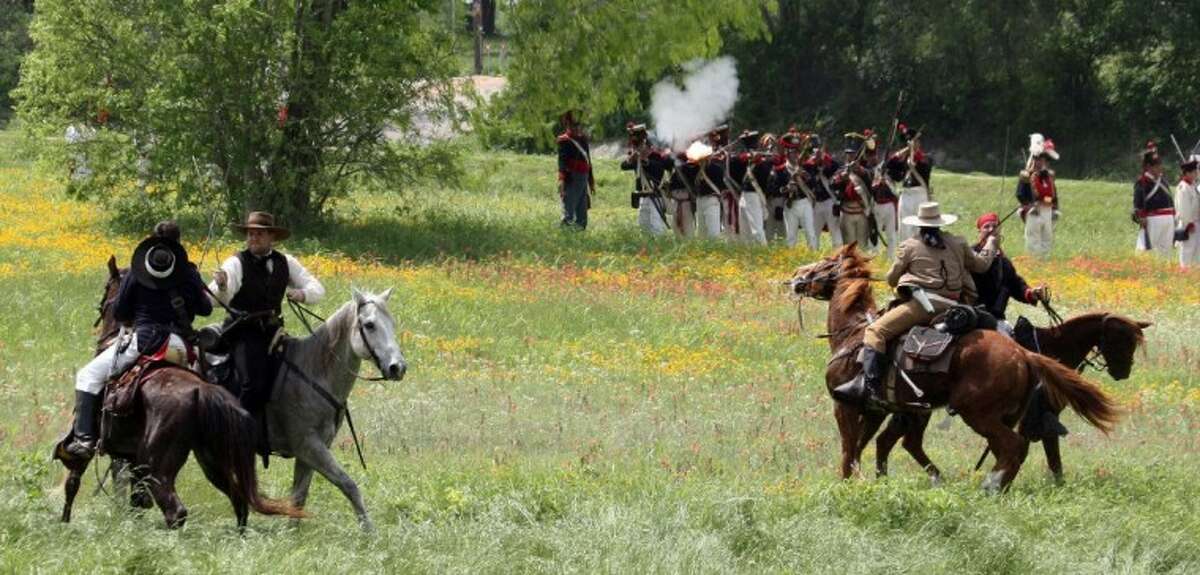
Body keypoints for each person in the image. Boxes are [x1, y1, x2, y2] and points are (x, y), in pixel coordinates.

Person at [66, 223, 212, 459]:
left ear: (152, 241)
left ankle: (84, 439)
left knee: (87, 375)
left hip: (145, 342)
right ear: (179, 243)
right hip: (180, 348)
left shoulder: (137, 271)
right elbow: (205, 309)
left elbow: (121, 312)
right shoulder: (188, 272)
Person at [832, 202, 997, 405]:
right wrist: (990, 244)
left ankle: (869, 386)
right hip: (955, 306)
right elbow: (981, 265)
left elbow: (891, 279)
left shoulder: (909, 245)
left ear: (919, 224)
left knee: (875, 331)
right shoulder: (958, 242)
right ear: (939, 223)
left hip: (922, 306)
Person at [208, 212, 324, 454]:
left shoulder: (286, 262)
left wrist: (301, 294)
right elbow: (215, 299)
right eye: (250, 233)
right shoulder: (235, 263)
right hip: (243, 333)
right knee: (252, 384)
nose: (253, 238)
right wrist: (221, 285)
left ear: (272, 236)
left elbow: (316, 288)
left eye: (259, 233)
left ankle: (286, 431)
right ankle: (238, 439)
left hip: (274, 333)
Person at [971, 212, 1049, 336]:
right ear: (979, 231)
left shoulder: (1004, 262)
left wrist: (1031, 293)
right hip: (974, 317)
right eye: (986, 227)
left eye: (994, 226)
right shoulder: (971, 255)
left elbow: (1015, 285)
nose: (991, 230)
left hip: (998, 319)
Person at [621, 123, 672, 236]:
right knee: (643, 227)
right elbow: (623, 166)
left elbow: (659, 169)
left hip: (655, 195)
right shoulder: (635, 157)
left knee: (657, 227)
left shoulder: (655, 156)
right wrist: (631, 159)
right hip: (643, 196)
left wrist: (646, 161)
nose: (638, 148)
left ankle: (660, 249)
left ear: (647, 145)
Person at [887, 122, 933, 241]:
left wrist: (914, 152)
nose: (914, 144)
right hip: (906, 195)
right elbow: (890, 163)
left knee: (919, 228)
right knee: (904, 227)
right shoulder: (903, 160)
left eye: (915, 142)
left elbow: (924, 166)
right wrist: (907, 149)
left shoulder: (926, 158)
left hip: (920, 195)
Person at [1016, 134, 1060, 257]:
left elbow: (1054, 194)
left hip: (1047, 209)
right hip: (1033, 210)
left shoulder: (1049, 176)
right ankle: (1033, 262)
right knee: (1033, 240)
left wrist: (1055, 209)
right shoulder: (1026, 175)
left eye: (1044, 160)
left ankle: (1044, 262)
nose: (1042, 163)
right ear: (1034, 160)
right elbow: (1020, 194)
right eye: (1039, 160)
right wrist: (1029, 206)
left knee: (1047, 238)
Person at [774, 127, 815, 248]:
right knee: (791, 237)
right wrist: (787, 188)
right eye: (792, 151)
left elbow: (813, 185)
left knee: (810, 233)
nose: (795, 154)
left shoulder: (806, 167)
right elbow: (776, 189)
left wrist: (806, 176)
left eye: (797, 151)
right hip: (790, 204)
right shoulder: (781, 170)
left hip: (805, 202)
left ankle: (813, 256)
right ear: (787, 153)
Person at [1133, 141, 1175, 258]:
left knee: (1165, 253)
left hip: (1168, 220)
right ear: (1148, 167)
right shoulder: (1142, 182)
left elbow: (1170, 201)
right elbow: (1138, 204)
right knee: (1144, 251)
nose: (1159, 168)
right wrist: (1141, 217)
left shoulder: (1163, 181)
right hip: (1152, 220)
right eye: (1156, 165)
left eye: (1159, 165)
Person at [832, 133, 874, 249]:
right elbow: (833, 185)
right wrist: (842, 178)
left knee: (862, 246)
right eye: (849, 154)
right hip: (846, 212)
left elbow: (871, 182)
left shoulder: (865, 171)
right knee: (849, 248)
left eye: (853, 153)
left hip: (862, 211)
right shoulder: (841, 170)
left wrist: (860, 171)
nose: (851, 156)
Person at [802, 136, 844, 248]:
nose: (815, 152)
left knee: (835, 232)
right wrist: (815, 166)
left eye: (817, 149)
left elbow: (838, 181)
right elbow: (808, 182)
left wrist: (823, 167)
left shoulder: (832, 163)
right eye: (812, 150)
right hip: (816, 202)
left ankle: (838, 256)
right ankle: (812, 255)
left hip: (830, 201)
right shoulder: (807, 165)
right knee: (813, 234)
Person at [557, 110, 595, 230]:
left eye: (578, 125)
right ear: (568, 125)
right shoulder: (564, 140)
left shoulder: (583, 140)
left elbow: (588, 161)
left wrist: (591, 181)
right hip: (572, 178)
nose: (577, 128)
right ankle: (565, 233)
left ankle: (579, 232)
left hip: (583, 178)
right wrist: (562, 180)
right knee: (569, 210)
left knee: (582, 213)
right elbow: (562, 162)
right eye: (574, 125)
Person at [734, 129, 769, 245]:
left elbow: (764, 177)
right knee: (745, 231)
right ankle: (749, 255)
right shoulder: (744, 160)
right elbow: (735, 162)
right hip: (744, 196)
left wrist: (757, 161)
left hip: (754, 195)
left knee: (756, 230)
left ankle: (763, 252)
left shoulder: (762, 162)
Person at [688, 141, 724, 238]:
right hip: (700, 200)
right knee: (701, 233)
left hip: (711, 200)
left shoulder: (716, 168)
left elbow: (721, 186)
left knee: (713, 233)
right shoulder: (696, 169)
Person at [1176, 155, 1200, 268]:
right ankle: (1185, 274)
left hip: (1196, 222)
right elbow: (1183, 208)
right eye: (1194, 172)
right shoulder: (1183, 187)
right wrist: (1188, 223)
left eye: (1196, 171)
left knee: (1196, 254)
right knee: (1187, 252)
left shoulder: (1193, 186)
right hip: (1188, 225)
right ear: (1187, 173)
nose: (1196, 174)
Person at [667, 150, 697, 237]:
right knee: (676, 228)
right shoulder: (675, 173)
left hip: (686, 202)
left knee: (688, 229)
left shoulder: (690, 170)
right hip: (676, 202)